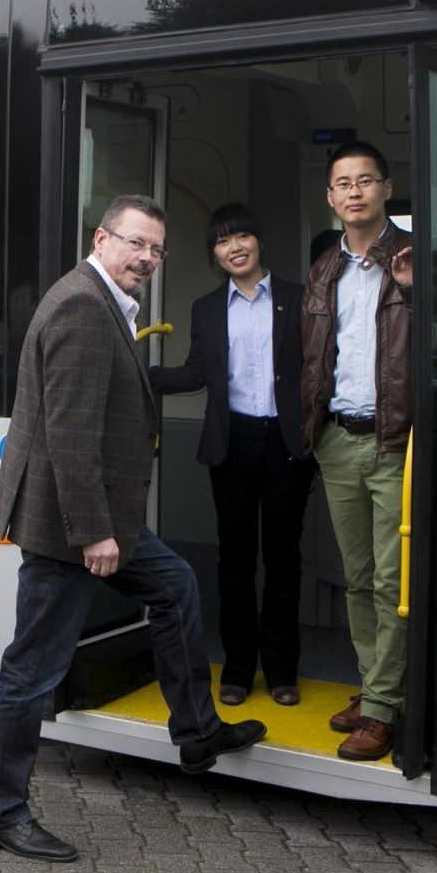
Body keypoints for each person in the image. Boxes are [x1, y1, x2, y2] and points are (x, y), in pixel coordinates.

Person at [0, 195, 265, 862]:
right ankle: (0, 811)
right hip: (70, 525)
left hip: (104, 515)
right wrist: (93, 533)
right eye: (135, 242)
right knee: (32, 669)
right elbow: (69, 435)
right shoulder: (82, 306)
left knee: (175, 586)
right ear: (102, 238)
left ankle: (195, 731)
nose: (146, 257)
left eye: (157, 248)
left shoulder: (104, 300)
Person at [151, 203, 313, 709]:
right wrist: (139, 373)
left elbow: (317, 368)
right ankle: (239, 669)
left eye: (242, 236)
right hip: (232, 443)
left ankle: (283, 669)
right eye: (223, 242)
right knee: (235, 560)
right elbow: (197, 372)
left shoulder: (298, 298)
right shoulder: (206, 308)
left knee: (283, 559)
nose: (234, 247)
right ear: (215, 253)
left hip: (287, 444)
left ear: (259, 241)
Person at [300, 141, 414, 764]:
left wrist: (419, 294)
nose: (354, 192)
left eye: (365, 180)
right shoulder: (324, 268)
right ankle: (377, 693)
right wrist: (312, 431)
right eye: (342, 183)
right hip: (338, 440)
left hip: (394, 440)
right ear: (330, 196)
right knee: (359, 580)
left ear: (385, 188)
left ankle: (380, 707)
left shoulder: (416, 258)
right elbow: (316, 355)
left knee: (393, 581)